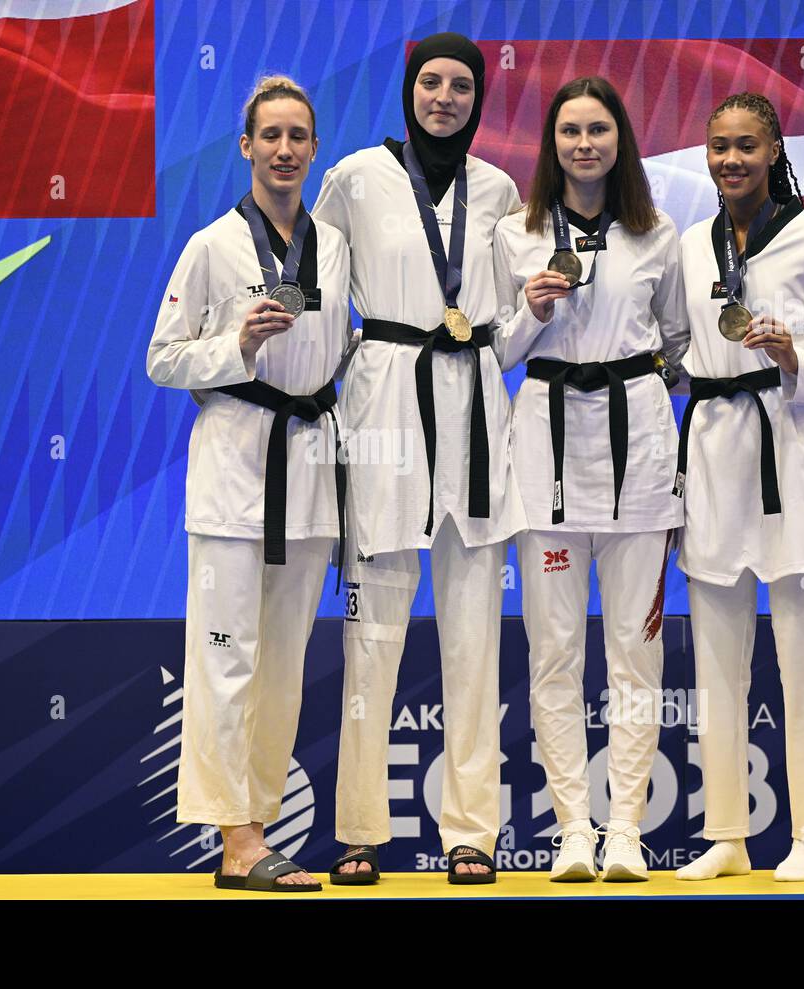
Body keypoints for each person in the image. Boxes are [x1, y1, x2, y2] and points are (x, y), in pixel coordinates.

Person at [313, 32, 526, 885]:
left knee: (475, 640)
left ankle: (471, 831)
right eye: (431, 83)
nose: (444, 97)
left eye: (461, 86)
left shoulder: (502, 190)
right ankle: (360, 827)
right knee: (372, 637)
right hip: (384, 407)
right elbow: (316, 292)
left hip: (474, 407)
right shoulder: (356, 179)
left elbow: (509, 322)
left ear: (479, 98)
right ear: (408, 90)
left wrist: (521, 326)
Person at [672, 93, 804, 882]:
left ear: (774, 151)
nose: (732, 160)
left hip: (791, 455)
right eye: (719, 146)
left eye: (747, 147)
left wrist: (800, 357)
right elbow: (671, 345)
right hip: (714, 458)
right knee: (716, 661)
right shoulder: (693, 247)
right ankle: (726, 833)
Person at [147, 75, 351, 892]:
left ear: (313, 147)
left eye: (299, 135)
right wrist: (236, 345)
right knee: (225, 661)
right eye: (270, 134)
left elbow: (341, 352)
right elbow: (162, 358)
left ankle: (259, 830)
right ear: (245, 145)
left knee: (282, 669)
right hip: (233, 472)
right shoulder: (209, 245)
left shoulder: (332, 244)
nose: (285, 149)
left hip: (308, 472)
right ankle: (236, 839)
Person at [493, 77, 688, 882]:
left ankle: (628, 829)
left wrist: (635, 393)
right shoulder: (514, 234)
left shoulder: (659, 233)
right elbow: (494, 351)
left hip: (638, 455)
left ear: (620, 140)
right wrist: (532, 314)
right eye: (570, 129)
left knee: (636, 654)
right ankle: (574, 825)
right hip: (545, 453)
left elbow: (678, 345)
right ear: (551, 142)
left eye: (598, 129)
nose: (584, 143)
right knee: (555, 652)